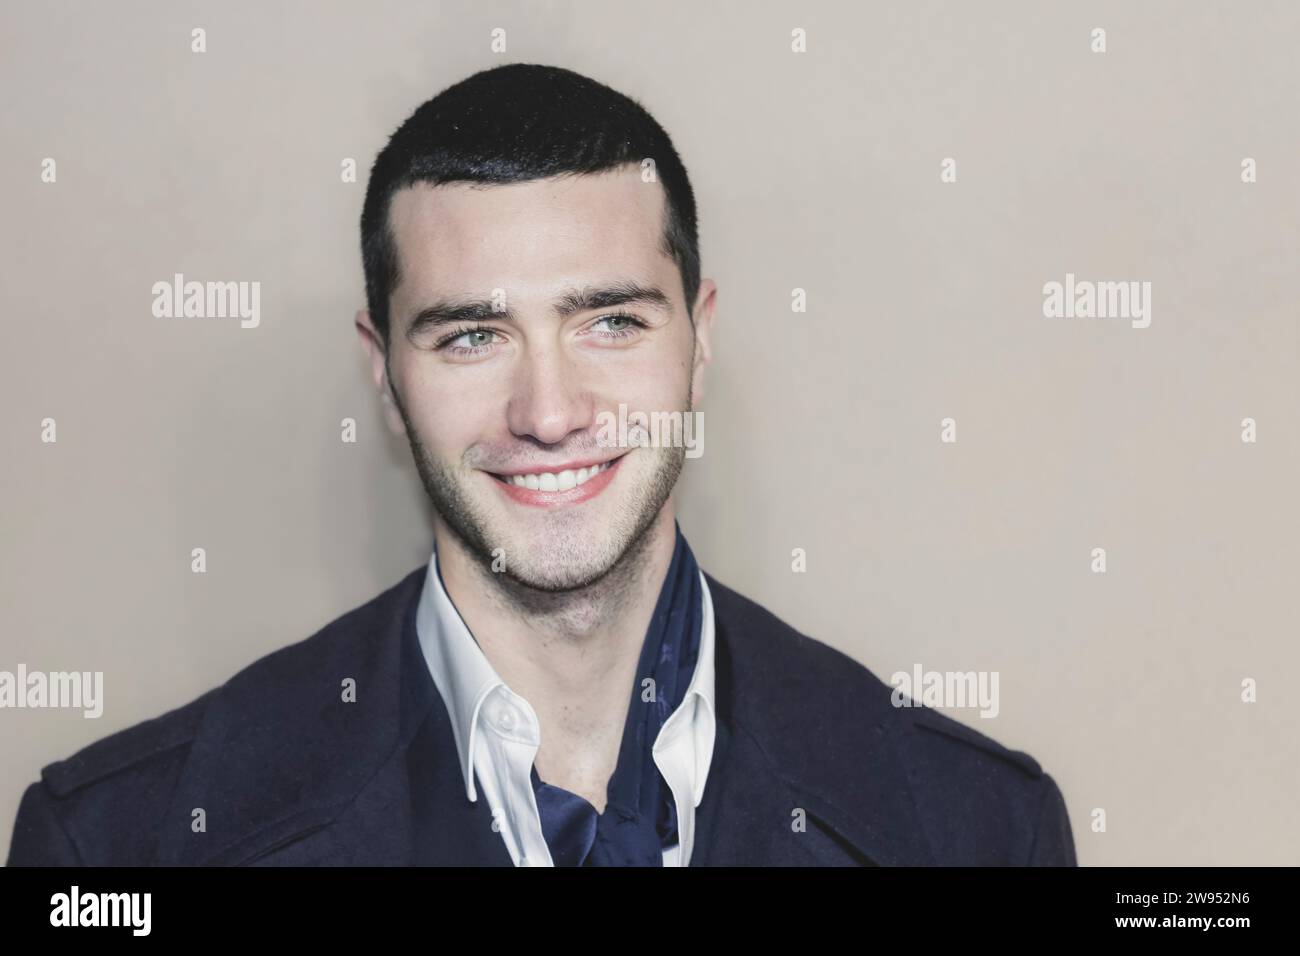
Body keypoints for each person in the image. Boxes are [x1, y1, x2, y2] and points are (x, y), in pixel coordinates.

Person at [7, 63, 1075, 866]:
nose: (550, 412)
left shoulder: (979, 827)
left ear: (699, 341)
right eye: (471, 335)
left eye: (610, 320)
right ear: (382, 370)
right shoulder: (116, 845)